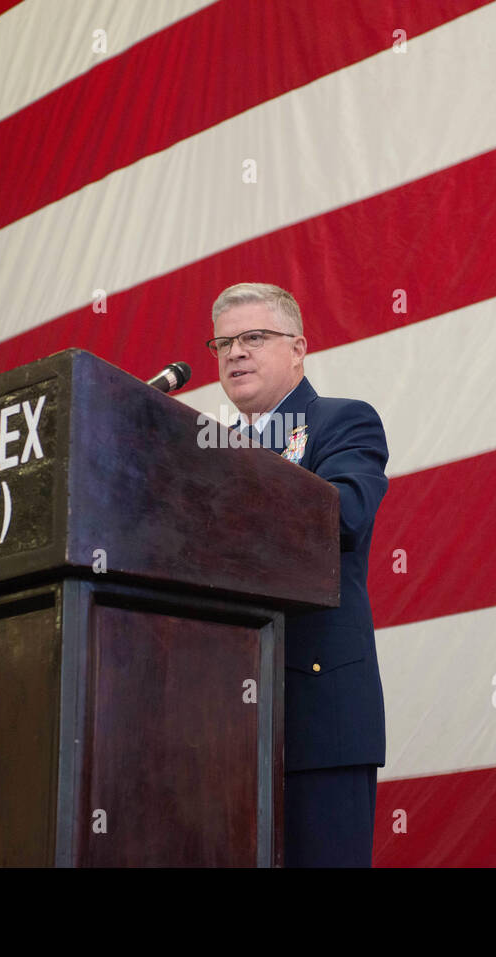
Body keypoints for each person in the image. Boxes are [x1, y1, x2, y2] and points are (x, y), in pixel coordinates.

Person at [207, 282, 389, 867]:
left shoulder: (342, 421)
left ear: (298, 349)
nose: (236, 352)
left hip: (317, 716)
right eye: (224, 342)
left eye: (254, 337)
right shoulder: (207, 454)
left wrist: (237, 475)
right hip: (220, 729)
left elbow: (343, 516)